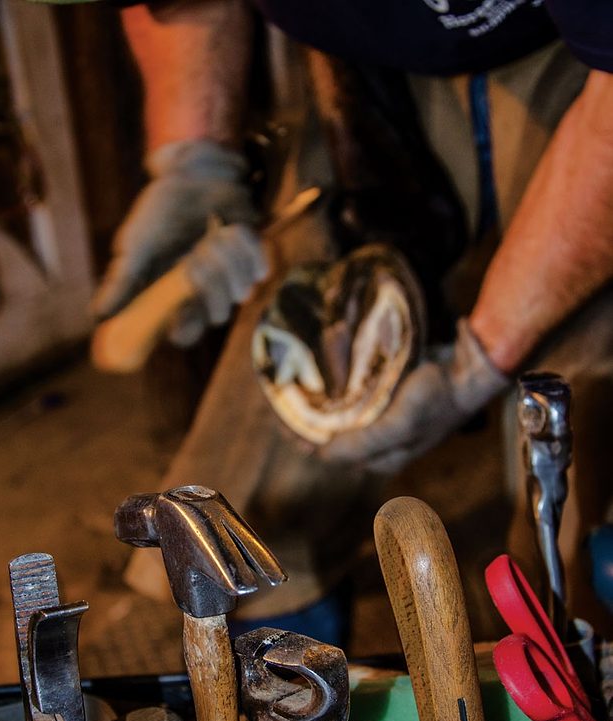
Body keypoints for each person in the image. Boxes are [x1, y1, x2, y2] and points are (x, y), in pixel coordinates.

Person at [39, 0, 613, 636]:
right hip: (364, 72)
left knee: (580, 477)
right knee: (245, 509)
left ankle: (572, 672)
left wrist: (480, 360)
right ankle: (297, 702)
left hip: (585, 71)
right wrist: (193, 153)